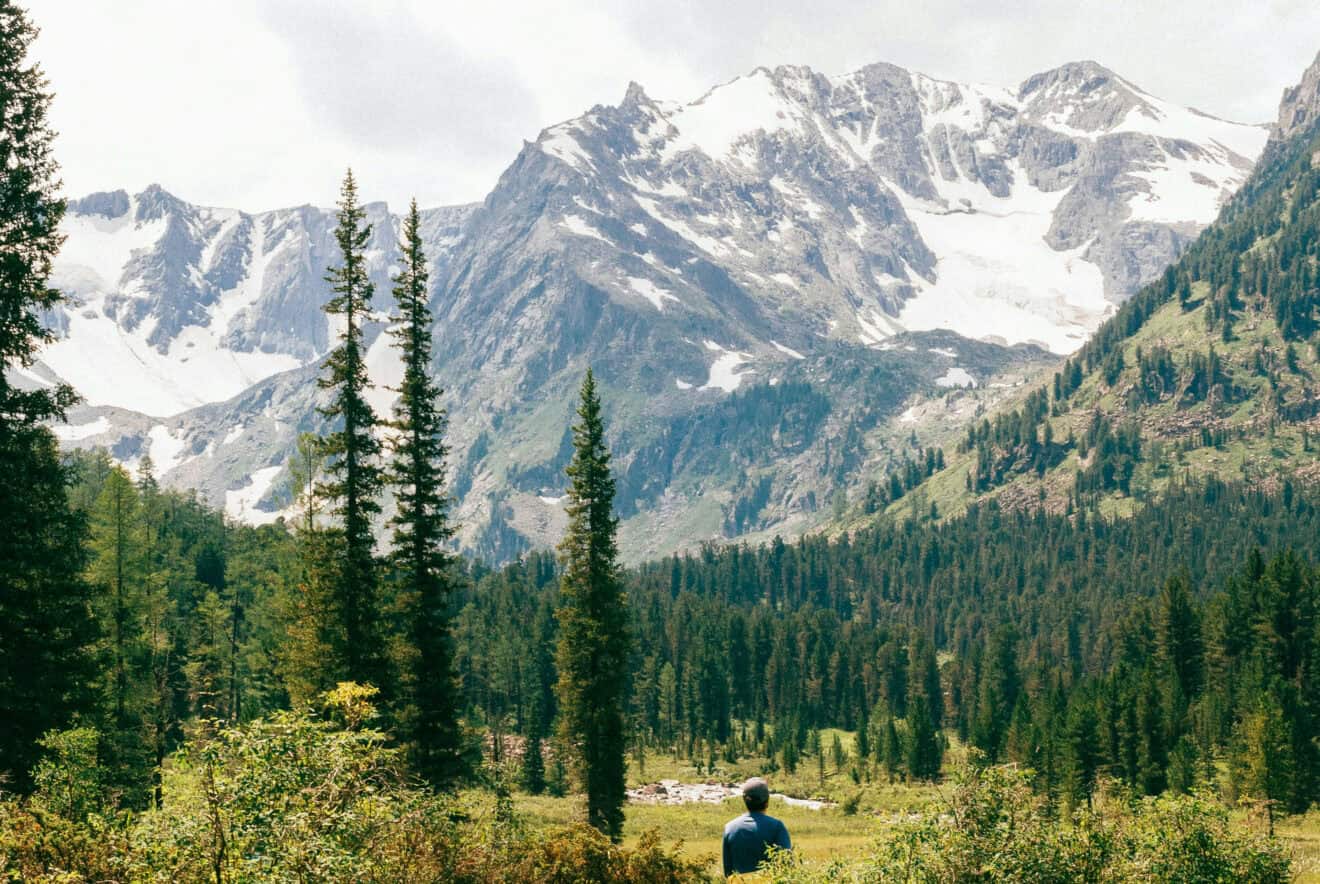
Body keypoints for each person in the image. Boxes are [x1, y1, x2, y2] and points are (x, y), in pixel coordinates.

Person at [722, 777, 791, 877]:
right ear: (767, 802)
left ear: (744, 800)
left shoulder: (729, 828)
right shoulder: (777, 827)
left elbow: (728, 871)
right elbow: (787, 865)